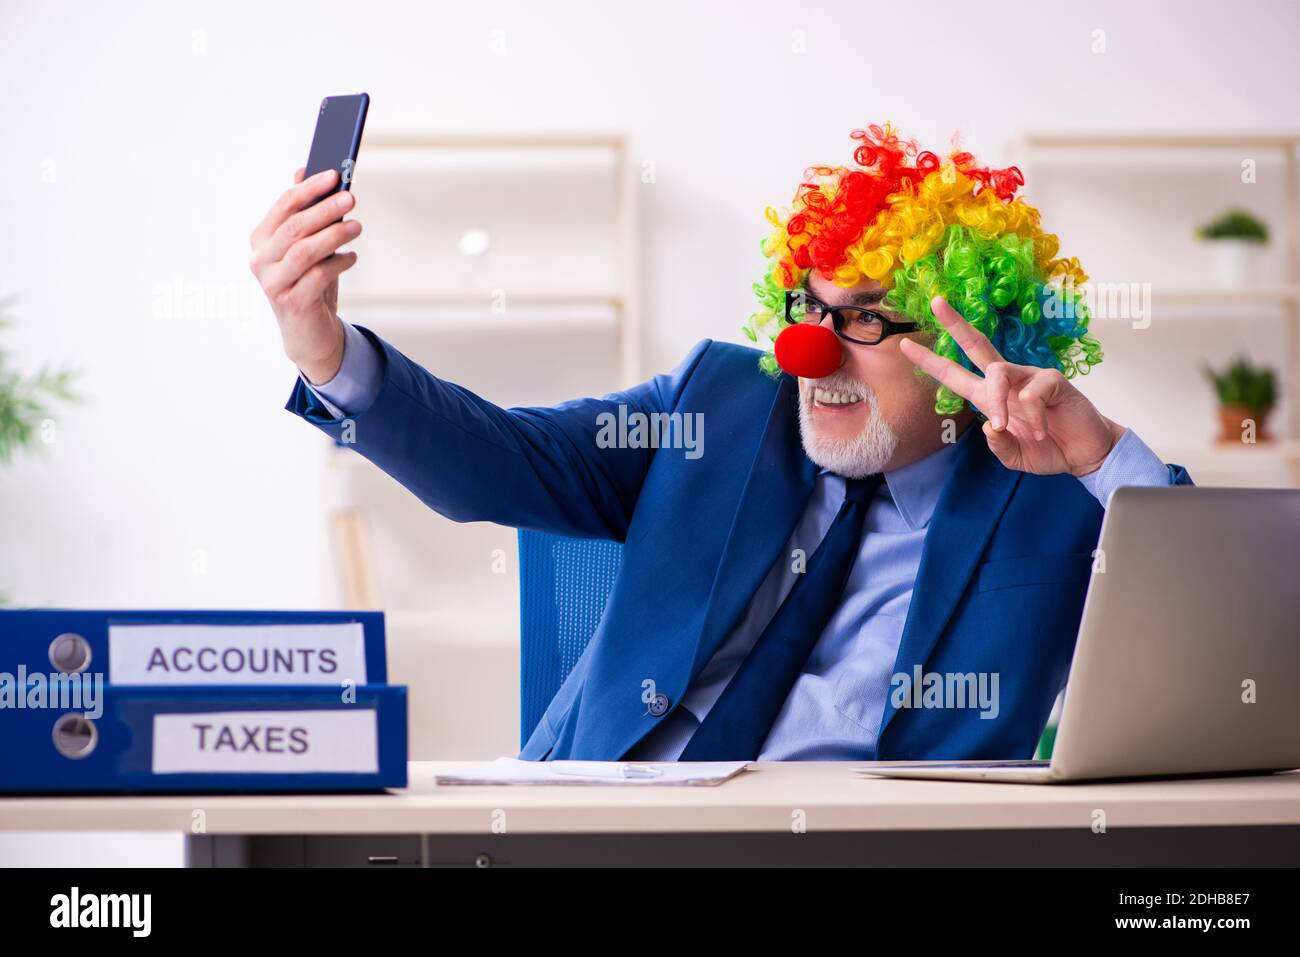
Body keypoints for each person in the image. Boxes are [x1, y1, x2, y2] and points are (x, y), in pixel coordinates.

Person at [249, 123, 1191, 762]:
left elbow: (1221, 648)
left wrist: (1105, 455)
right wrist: (330, 353)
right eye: (807, 309)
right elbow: (500, 457)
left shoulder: (1056, 492)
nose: (810, 352)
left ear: (963, 340)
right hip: (595, 831)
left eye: (863, 321)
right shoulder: (722, 406)